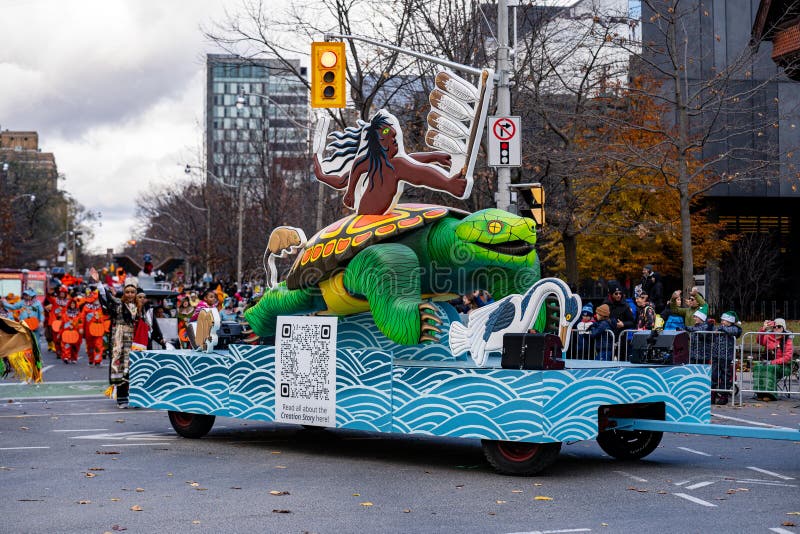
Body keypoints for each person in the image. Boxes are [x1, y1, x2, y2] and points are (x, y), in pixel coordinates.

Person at [314, 110, 467, 215]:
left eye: (394, 135)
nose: (394, 139)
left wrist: (433, 157)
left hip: (368, 217)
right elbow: (419, 173)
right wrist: (448, 184)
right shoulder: (387, 165)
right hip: (369, 221)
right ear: (380, 140)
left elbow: (410, 162)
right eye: (389, 135)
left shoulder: (373, 162)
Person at [92, 268, 138, 409]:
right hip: (119, 339)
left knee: (134, 368)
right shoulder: (118, 304)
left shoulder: (140, 306)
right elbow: (106, 299)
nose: (130, 295)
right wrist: (99, 283)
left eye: (132, 292)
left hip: (135, 340)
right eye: (127, 292)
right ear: (124, 293)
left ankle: (136, 398)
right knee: (120, 367)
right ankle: (122, 398)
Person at [754, 318, 794, 401]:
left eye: (779, 326)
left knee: (770, 368)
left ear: (783, 328)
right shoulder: (769, 336)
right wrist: (763, 328)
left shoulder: (787, 340)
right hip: (769, 362)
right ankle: (760, 393)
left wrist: (772, 362)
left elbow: (787, 357)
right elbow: (759, 341)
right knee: (758, 367)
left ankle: (770, 395)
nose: (776, 328)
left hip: (783, 365)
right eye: (774, 327)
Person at [710, 310, 742, 405]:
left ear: (730, 321)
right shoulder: (720, 328)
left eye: (724, 320)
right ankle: (713, 394)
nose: (722, 322)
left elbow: (731, 331)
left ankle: (724, 396)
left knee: (725, 376)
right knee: (714, 375)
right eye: (722, 320)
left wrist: (721, 329)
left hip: (726, 357)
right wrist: (711, 327)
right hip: (716, 355)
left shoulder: (734, 328)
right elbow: (712, 335)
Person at [81, 288, 106, 366]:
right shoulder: (86, 307)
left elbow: (105, 317)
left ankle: (97, 360)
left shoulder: (101, 307)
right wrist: (81, 327)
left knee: (98, 345)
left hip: (99, 329)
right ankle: (91, 359)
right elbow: (81, 318)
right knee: (90, 346)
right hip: (88, 330)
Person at [46, 286, 71, 354]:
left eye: (64, 293)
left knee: (64, 337)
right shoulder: (55, 300)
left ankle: (64, 351)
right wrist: (48, 293)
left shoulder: (68, 302)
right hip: (55, 322)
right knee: (56, 338)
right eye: (61, 293)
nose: (62, 294)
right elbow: (48, 297)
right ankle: (58, 351)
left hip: (64, 322)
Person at [58, 298, 84, 364]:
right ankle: (66, 357)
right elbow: (62, 324)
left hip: (76, 332)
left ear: (75, 305)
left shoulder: (79, 314)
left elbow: (80, 322)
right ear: (69, 305)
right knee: (66, 344)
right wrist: (59, 333)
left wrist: (81, 328)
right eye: (71, 304)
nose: (72, 305)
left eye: (73, 304)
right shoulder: (65, 314)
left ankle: (74, 358)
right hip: (67, 332)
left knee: (75, 346)